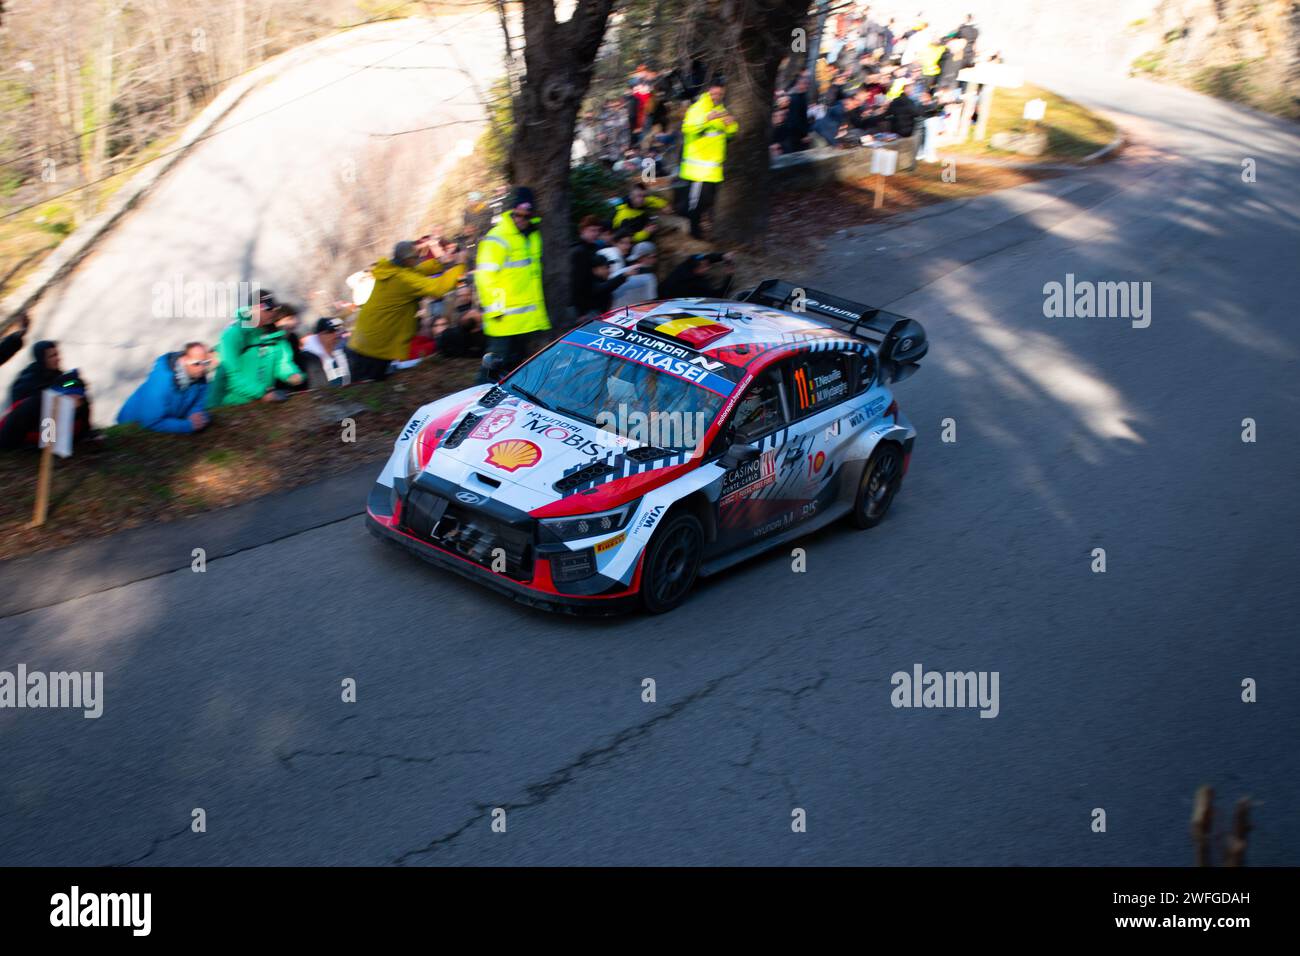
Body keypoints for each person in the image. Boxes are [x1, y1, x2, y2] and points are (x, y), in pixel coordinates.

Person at [347, 240, 466, 381]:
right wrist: (460, 266)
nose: (418, 260)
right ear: (407, 260)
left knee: (374, 388)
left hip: (366, 342)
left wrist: (441, 261)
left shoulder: (391, 269)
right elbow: (438, 288)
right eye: (415, 258)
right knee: (368, 388)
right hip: (373, 348)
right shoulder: (403, 280)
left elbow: (417, 271)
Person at [474, 186, 549, 383]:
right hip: (503, 320)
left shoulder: (533, 236)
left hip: (525, 321)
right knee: (491, 371)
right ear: (512, 211)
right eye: (518, 214)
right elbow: (485, 277)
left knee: (513, 371)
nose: (521, 219)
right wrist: (496, 309)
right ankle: (475, 406)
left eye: (526, 215)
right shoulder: (497, 238)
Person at [206, 294, 303, 407]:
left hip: (262, 402)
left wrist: (291, 374)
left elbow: (281, 363)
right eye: (267, 309)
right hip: (232, 404)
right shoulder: (234, 334)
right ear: (253, 309)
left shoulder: (275, 334)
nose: (271, 313)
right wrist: (261, 392)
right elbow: (231, 375)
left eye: (273, 309)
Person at [0, 340, 93, 449]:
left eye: (57, 354)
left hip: (57, 427)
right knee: (37, 401)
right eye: (52, 356)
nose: (58, 358)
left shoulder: (59, 376)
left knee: (79, 396)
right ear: (42, 359)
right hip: (34, 429)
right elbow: (23, 411)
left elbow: (69, 387)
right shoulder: (27, 380)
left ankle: (85, 435)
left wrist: (75, 385)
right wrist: (56, 392)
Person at [677, 79, 738, 239]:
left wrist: (731, 124)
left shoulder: (721, 109)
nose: (716, 96)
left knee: (707, 202)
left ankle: (696, 227)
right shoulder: (697, 109)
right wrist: (706, 119)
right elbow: (687, 128)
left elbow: (728, 133)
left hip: (712, 169)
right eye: (713, 93)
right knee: (696, 204)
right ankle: (694, 233)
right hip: (698, 169)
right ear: (707, 92)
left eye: (719, 94)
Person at [117, 342, 213, 433]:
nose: (202, 368)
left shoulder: (199, 375)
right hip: (132, 424)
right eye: (196, 363)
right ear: (184, 360)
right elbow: (151, 421)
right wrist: (188, 426)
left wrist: (195, 416)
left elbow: (197, 404)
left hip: (166, 418)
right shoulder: (162, 382)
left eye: (206, 363)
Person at [297, 317, 351, 388]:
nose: (336, 335)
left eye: (338, 331)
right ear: (320, 335)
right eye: (330, 332)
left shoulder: (346, 350)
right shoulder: (308, 358)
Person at [660, 252, 735, 299]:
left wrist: (722, 256)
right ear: (696, 269)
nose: (708, 268)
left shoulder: (686, 265)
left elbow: (704, 257)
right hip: (673, 304)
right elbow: (718, 296)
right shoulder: (697, 285)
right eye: (704, 267)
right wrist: (729, 277)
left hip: (662, 294)